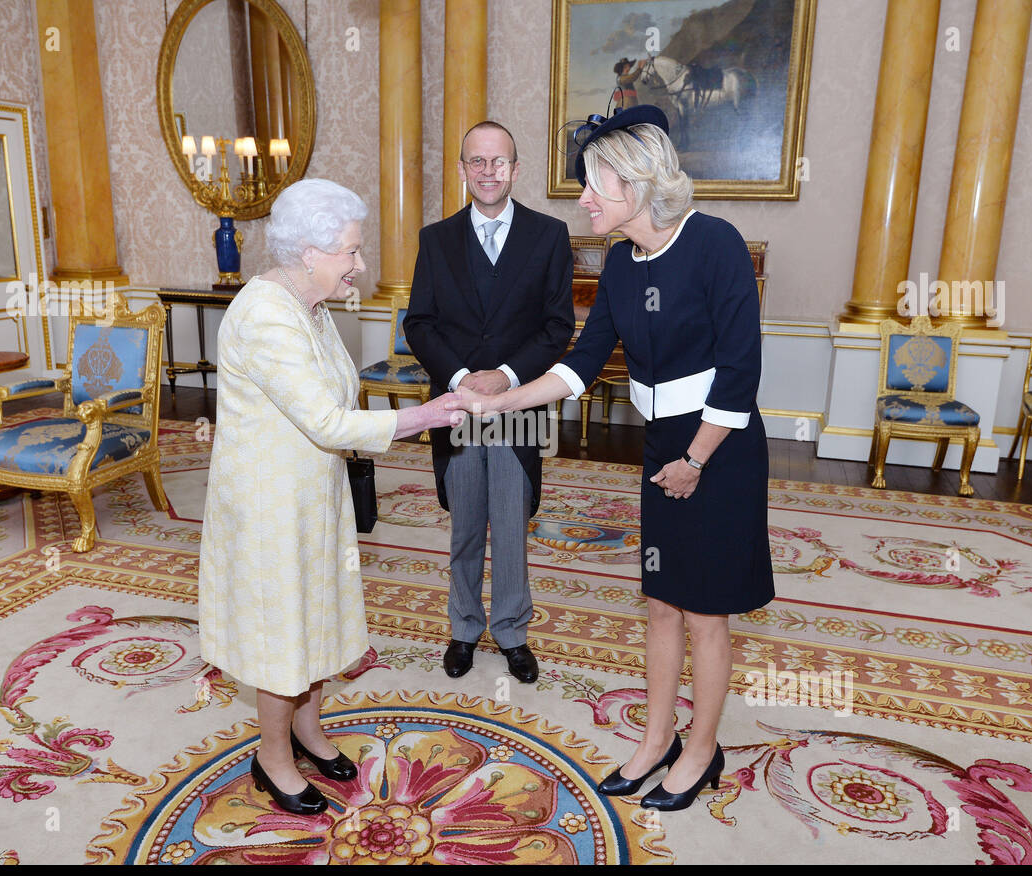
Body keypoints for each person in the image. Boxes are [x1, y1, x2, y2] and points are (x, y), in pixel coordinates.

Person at [457, 106, 774, 811]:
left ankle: (701, 748)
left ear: (634, 182)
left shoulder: (714, 243)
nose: (583, 200)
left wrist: (696, 456)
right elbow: (579, 365)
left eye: (593, 184)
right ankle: (656, 738)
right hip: (664, 448)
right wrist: (500, 398)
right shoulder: (623, 267)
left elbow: (740, 369)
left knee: (706, 614)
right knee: (662, 601)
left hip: (719, 450)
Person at [198, 178, 466, 816]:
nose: (360, 264)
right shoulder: (266, 313)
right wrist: (423, 417)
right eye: (351, 251)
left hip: (312, 491)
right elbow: (327, 421)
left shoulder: (312, 308)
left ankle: (310, 730)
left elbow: (336, 404)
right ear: (311, 252)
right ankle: (273, 758)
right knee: (279, 629)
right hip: (269, 504)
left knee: (317, 611)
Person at [403, 120, 576, 684]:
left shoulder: (549, 236)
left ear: (515, 169)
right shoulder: (435, 239)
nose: (486, 171)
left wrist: (503, 377)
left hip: (518, 406)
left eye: (497, 161)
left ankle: (512, 632)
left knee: (510, 521)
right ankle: (462, 627)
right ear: (461, 170)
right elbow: (420, 323)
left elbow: (557, 328)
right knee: (465, 523)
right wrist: (459, 379)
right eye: (475, 161)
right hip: (454, 406)